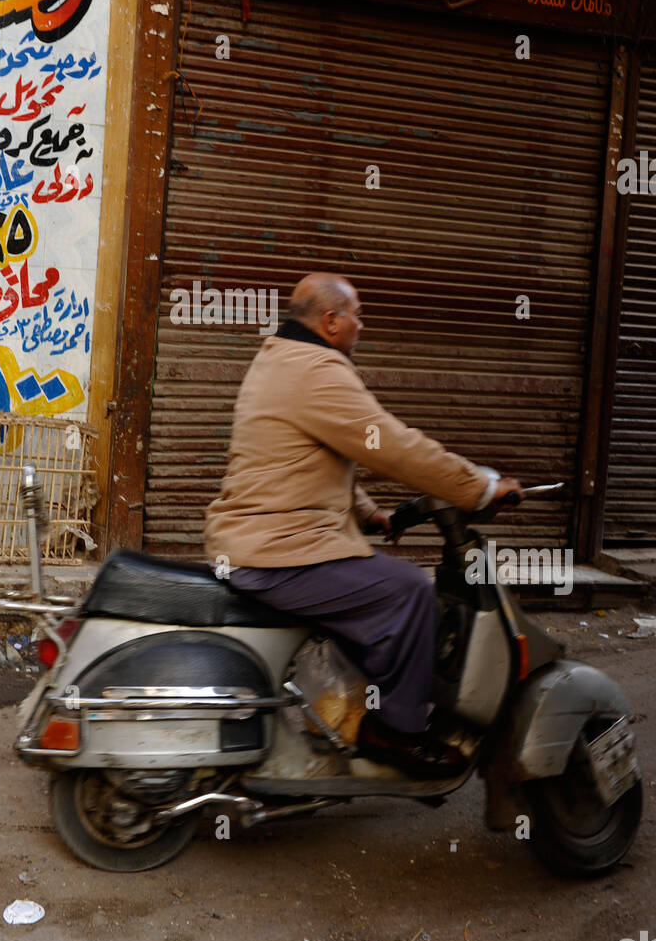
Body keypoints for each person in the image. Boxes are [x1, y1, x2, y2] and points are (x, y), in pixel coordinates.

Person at [204, 272, 522, 777]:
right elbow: (389, 444)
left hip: (256, 540)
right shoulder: (316, 370)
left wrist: (367, 512)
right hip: (273, 551)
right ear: (331, 321)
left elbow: (310, 452)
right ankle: (394, 734)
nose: (362, 324)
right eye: (357, 314)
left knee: (376, 580)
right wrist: (478, 488)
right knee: (409, 590)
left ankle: (343, 711)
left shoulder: (280, 359)